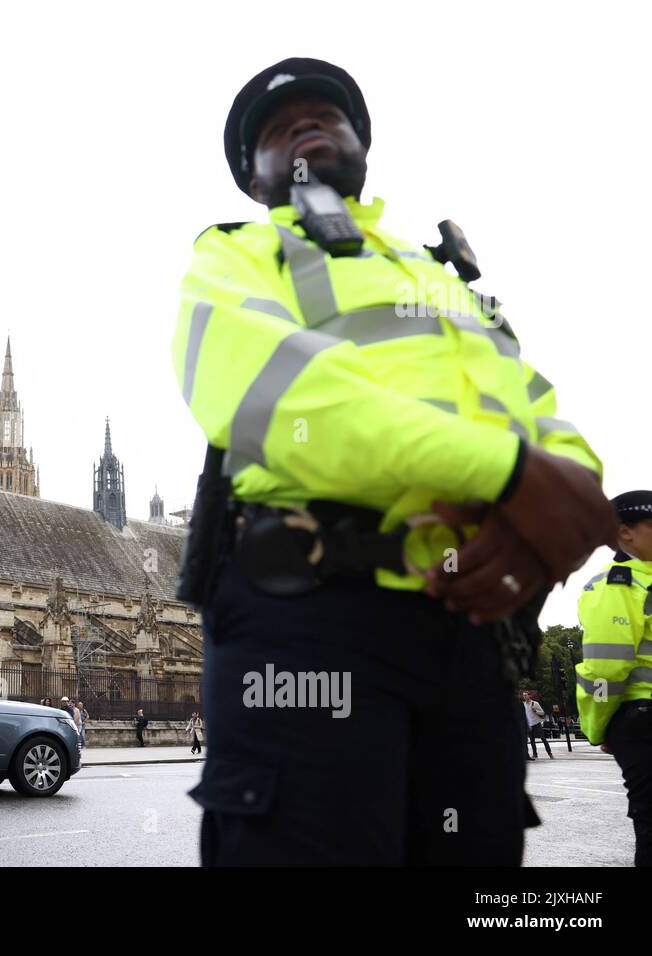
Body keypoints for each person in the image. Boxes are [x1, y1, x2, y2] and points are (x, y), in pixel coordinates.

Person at [172, 58, 616, 866]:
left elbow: (540, 413)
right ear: (254, 178)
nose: (306, 128)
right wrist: (510, 479)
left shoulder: (438, 280)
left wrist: (542, 529)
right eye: (278, 130)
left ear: (362, 146)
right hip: (314, 619)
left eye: (326, 115)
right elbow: (276, 397)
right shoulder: (238, 255)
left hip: (469, 629)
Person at [576, 490, 652, 865]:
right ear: (625, 533)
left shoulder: (618, 585)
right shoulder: (620, 583)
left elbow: (605, 670)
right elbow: (608, 667)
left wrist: (600, 726)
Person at [522, 691, 552, 760]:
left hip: (537, 724)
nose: (524, 697)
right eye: (523, 695)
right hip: (529, 725)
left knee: (543, 739)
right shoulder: (523, 704)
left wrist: (535, 711)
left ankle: (549, 753)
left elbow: (542, 712)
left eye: (526, 695)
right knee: (532, 741)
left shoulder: (535, 703)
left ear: (529, 696)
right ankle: (535, 754)